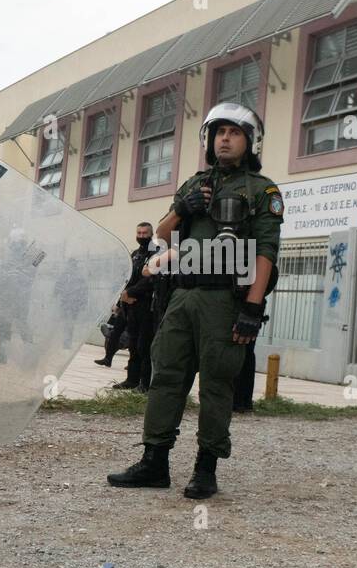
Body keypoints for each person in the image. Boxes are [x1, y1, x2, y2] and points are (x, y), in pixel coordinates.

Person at [108, 102, 282, 499]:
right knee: (165, 373)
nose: (225, 138)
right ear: (209, 139)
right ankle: (155, 462)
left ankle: (206, 468)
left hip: (225, 298)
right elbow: (164, 239)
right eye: (219, 131)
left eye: (234, 132)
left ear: (250, 142)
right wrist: (182, 212)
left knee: (217, 382)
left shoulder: (262, 190)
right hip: (182, 293)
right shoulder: (193, 185)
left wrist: (253, 309)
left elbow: (266, 252)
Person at [111, 223, 156, 391]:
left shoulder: (156, 253)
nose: (142, 236)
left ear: (151, 234)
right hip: (131, 307)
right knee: (133, 344)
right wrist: (121, 299)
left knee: (144, 346)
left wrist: (131, 293)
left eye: (145, 233)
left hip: (147, 306)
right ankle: (131, 380)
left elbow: (151, 279)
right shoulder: (136, 254)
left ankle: (145, 384)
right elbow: (127, 277)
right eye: (139, 232)